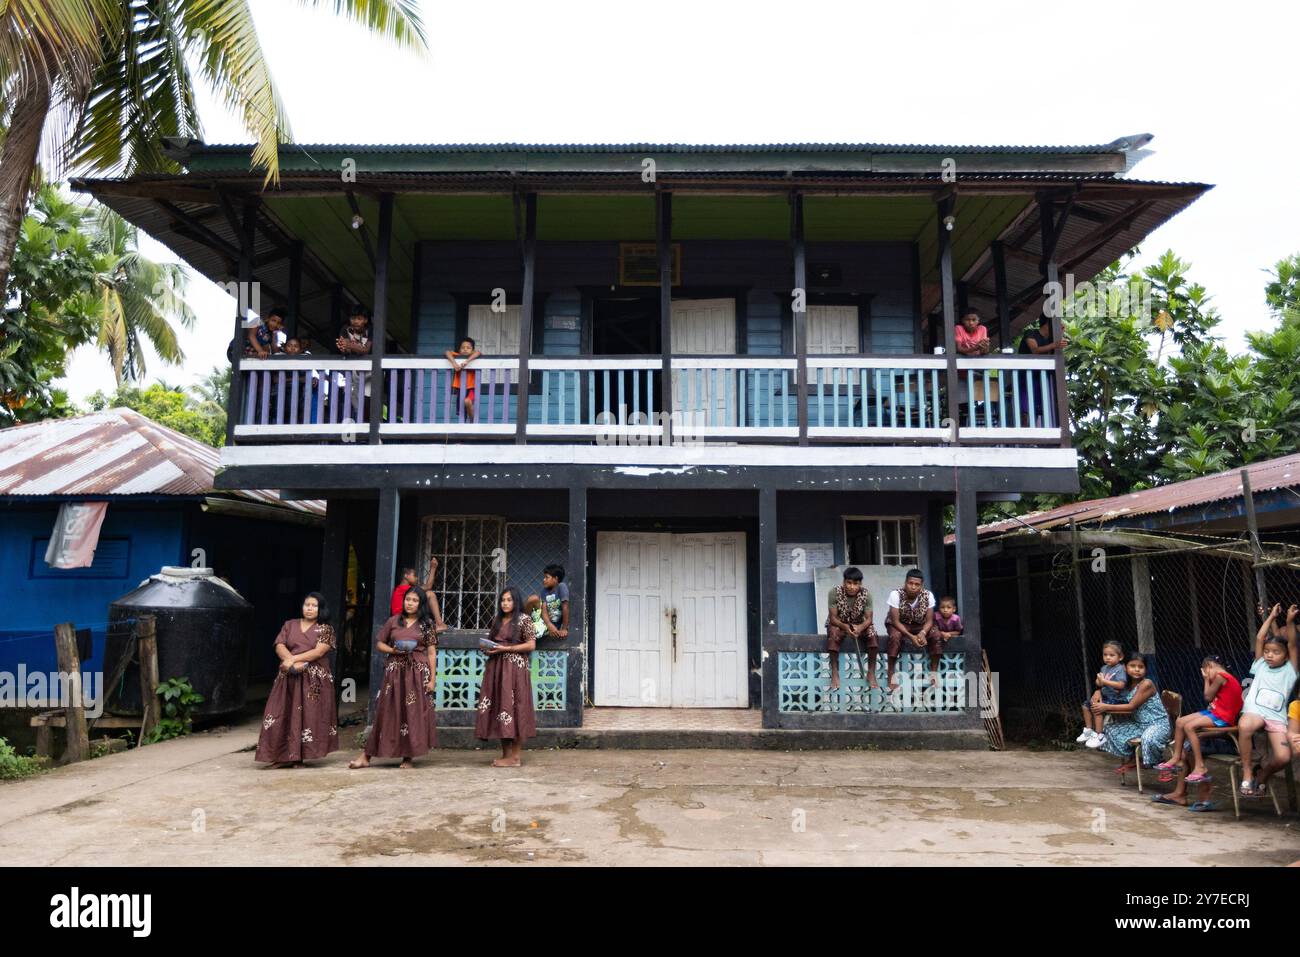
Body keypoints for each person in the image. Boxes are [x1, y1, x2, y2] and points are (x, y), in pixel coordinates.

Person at [348, 587, 438, 769]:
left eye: (414, 600)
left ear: (420, 604)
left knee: (412, 714)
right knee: (385, 712)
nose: (410, 603)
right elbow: (380, 643)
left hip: (417, 674)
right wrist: (393, 651)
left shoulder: (427, 624)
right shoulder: (394, 621)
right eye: (407, 599)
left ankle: (408, 757)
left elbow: (431, 653)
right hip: (395, 674)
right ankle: (366, 756)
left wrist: (432, 680)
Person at [254, 592, 338, 768]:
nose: (309, 608)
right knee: (279, 713)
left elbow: (319, 652)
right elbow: (279, 645)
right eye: (307, 604)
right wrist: (290, 660)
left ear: (321, 609)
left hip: (313, 680)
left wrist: (294, 659)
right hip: (288, 676)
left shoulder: (326, 629)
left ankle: (298, 757)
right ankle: (281, 755)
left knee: (307, 717)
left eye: (314, 605)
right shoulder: (290, 624)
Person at [1237, 603, 1299, 797]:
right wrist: (1271, 617)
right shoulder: (1261, 664)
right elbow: (1259, 638)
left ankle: (1262, 775)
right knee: (1245, 725)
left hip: (1276, 717)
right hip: (1255, 711)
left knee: (1283, 757)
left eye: (1276, 652)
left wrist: (1289, 621)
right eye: (1267, 651)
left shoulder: (1291, 670)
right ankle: (1247, 771)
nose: (1270, 655)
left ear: (1286, 656)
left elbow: (1292, 644)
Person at [474, 586, 538, 767]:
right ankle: (506, 755)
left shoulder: (524, 620)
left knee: (516, 709)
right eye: (503, 600)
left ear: (516, 601)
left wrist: (507, 649)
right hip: (496, 669)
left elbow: (531, 645)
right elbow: (494, 642)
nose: (505, 603)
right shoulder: (497, 620)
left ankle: (515, 757)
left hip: (515, 670)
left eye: (509, 600)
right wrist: (489, 649)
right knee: (500, 709)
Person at [1155, 654, 1242, 782]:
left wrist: (1206, 679)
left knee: (1189, 727)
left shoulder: (1220, 676)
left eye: (1204, 671)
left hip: (1223, 717)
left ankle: (1200, 766)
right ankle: (1176, 757)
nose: (1205, 675)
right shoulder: (1223, 677)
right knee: (1180, 722)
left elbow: (1207, 696)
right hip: (1216, 712)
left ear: (1209, 667)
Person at [1095, 652, 1171, 774]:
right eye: (1132, 666)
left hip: (1158, 725)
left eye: (1140, 667)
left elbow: (1131, 707)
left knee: (1148, 739)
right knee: (1109, 730)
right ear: (1125, 667)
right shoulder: (1126, 684)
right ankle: (1134, 759)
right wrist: (1098, 691)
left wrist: (1105, 707)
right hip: (1139, 724)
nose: (1136, 669)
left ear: (1145, 669)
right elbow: (1107, 691)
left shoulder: (1146, 684)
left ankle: (1161, 764)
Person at [885, 568, 936, 693]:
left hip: (919, 624)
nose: (913, 587)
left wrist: (923, 633)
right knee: (895, 637)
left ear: (921, 585)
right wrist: (911, 636)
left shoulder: (928, 595)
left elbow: (929, 620)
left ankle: (934, 672)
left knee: (936, 634)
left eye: (917, 584)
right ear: (905, 583)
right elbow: (895, 621)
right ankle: (891, 672)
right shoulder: (895, 594)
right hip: (898, 624)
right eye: (910, 583)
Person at [825, 566, 874, 692]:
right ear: (844, 582)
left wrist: (860, 628)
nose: (852, 587)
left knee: (872, 633)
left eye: (855, 584)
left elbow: (869, 619)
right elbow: (833, 618)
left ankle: (871, 672)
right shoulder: (834, 592)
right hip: (839, 623)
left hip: (859, 624)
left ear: (860, 584)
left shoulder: (866, 594)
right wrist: (845, 627)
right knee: (833, 633)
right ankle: (835, 672)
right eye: (849, 583)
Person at [1017, 313, 1067, 426]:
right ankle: (1024, 430)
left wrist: (1061, 334)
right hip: (1025, 375)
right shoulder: (1031, 333)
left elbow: (1056, 349)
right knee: (1025, 408)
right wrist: (1054, 344)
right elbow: (1035, 350)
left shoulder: (1051, 340)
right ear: (1048, 323)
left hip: (1040, 377)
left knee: (1040, 407)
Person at [1077, 641, 1126, 749]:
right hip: (1105, 696)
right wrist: (1099, 682)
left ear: (1120, 657)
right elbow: (1099, 683)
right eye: (1105, 655)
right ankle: (1089, 730)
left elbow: (1121, 685)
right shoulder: (1104, 668)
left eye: (1111, 655)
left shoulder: (1120, 669)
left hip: (1117, 698)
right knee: (1085, 706)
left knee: (1096, 707)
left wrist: (1104, 682)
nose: (1108, 657)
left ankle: (1099, 735)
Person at [390, 558, 448, 632]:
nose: (416, 578)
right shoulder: (404, 589)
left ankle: (434, 625)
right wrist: (433, 568)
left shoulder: (402, 588)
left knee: (428, 621)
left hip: (404, 618)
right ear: (406, 576)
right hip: (402, 619)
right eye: (414, 575)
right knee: (430, 594)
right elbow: (428, 586)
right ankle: (440, 624)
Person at [445, 337, 481, 421]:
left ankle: (472, 420)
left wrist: (467, 361)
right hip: (460, 387)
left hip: (472, 387)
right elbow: (447, 352)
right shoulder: (457, 356)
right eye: (463, 347)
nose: (465, 349)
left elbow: (478, 352)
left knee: (467, 402)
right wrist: (454, 363)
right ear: (459, 350)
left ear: (472, 350)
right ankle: (465, 424)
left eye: (468, 348)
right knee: (461, 411)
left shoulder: (473, 357)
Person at [541, 564, 569, 639]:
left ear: (555, 578)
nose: (544, 579)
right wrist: (549, 625)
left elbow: (565, 607)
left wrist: (564, 628)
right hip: (549, 626)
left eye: (547, 577)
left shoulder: (561, 587)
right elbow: (544, 610)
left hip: (561, 626)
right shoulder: (544, 591)